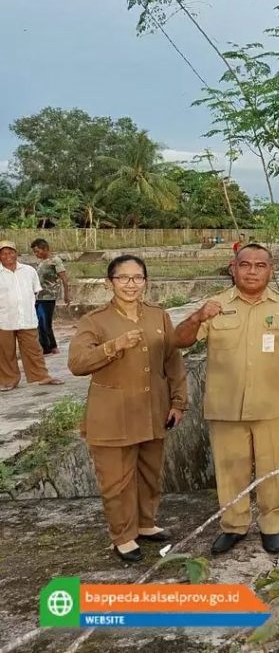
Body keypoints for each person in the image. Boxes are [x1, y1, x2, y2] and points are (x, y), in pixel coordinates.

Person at [174, 244, 279, 555]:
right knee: (229, 470)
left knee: (272, 470)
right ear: (232, 268)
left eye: (260, 265)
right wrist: (197, 317)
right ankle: (234, 526)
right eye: (245, 265)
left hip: (272, 406)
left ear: (270, 270)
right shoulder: (214, 306)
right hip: (226, 406)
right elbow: (178, 340)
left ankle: (272, 525)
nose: (252, 271)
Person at [68, 255, 187, 562]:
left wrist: (178, 401)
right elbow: (77, 364)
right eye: (123, 278)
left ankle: (145, 524)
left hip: (152, 411)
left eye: (137, 278)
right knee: (116, 481)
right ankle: (122, 536)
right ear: (110, 283)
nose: (131, 284)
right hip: (112, 416)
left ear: (145, 282)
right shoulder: (94, 321)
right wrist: (112, 346)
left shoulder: (158, 315)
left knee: (150, 473)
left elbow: (173, 361)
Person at [0, 240, 64, 391]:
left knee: (34, 350)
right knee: (5, 352)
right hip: (4, 319)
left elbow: (35, 291)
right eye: (3, 253)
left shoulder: (29, 271)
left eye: (10, 252)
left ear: (16, 254)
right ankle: (8, 380)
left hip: (27, 318)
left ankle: (41, 377)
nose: (7, 256)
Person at [31, 238, 71, 355]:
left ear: (45, 249)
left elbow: (64, 279)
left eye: (37, 251)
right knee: (38, 322)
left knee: (45, 322)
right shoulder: (40, 263)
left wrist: (67, 295)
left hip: (49, 296)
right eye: (35, 252)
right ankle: (44, 347)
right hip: (38, 296)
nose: (36, 254)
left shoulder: (55, 261)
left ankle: (52, 346)